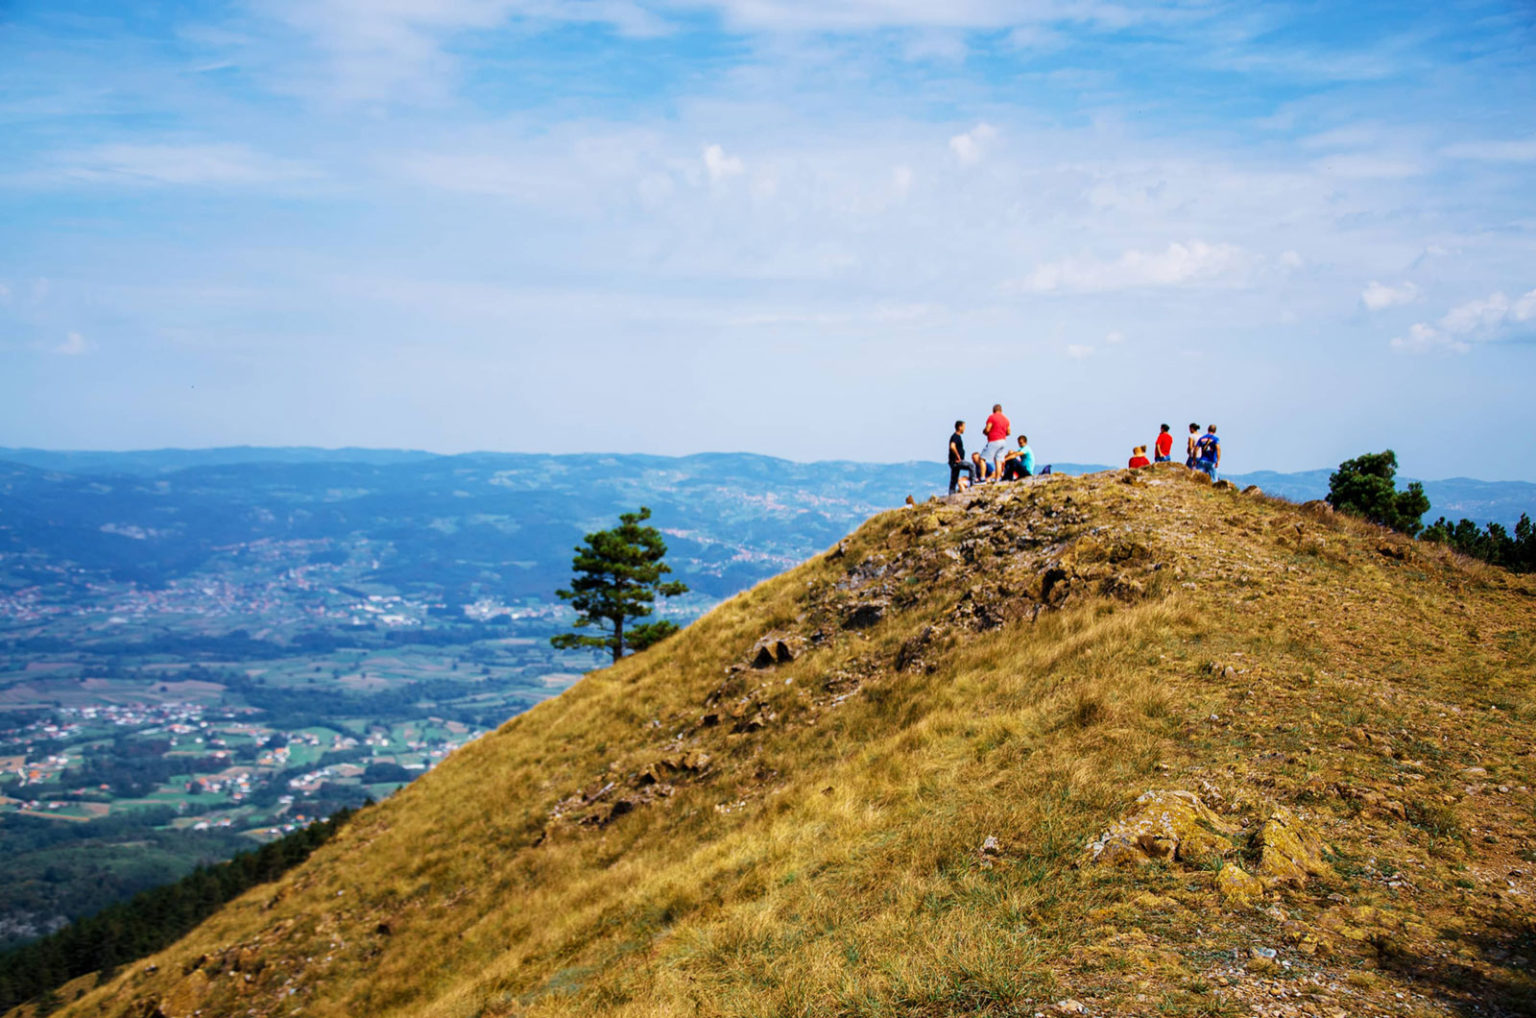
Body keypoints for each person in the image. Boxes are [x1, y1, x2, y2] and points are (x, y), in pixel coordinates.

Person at [980, 404, 1011, 476]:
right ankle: (997, 479)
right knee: (998, 461)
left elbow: (988, 429)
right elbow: (1008, 432)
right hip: (1003, 441)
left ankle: (982, 478)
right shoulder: (1006, 419)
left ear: (993, 410)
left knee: (982, 459)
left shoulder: (992, 417)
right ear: (1001, 410)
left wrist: (984, 432)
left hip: (994, 440)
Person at [948, 421, 974, 494]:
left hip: (953, 461)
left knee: (954, 479)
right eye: (963, 427)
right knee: (972, 466)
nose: (964, 429)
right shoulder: (956, 436)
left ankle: (951, 494)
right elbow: (952, 446)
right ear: (960, 427)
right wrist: (958, 456)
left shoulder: (955, 436)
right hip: (957, 461)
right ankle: (972, 485)